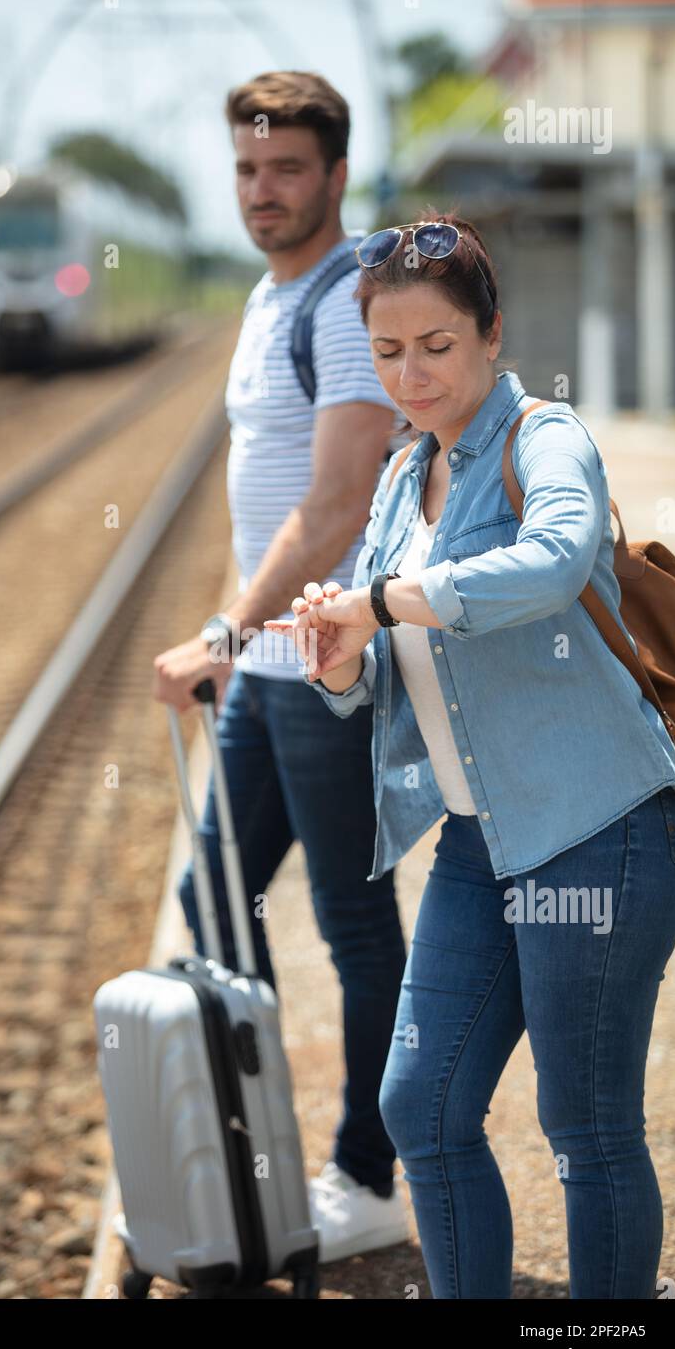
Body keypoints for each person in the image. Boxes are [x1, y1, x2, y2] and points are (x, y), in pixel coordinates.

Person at [265, 210, 675, 1298]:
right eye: (387, 353)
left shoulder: (541, 438)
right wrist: (335, 655)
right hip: (479, 843)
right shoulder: (400, 474)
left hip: (599, 829)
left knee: (583, 1123)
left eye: (436, 347)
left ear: (491, 334)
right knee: (422, 1104)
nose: (410, 375)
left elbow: (551, 560)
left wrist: (382, 595)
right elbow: (376, 668)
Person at [152, 71, 410, 1262]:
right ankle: (223, 1176)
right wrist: (231, 635)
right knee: (215, 915)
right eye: (249, 169)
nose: (264, 191)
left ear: (335, 175)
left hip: (322, 666)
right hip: (259, 670)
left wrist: (218, 628)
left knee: (355, 935)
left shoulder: (349, 294)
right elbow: (264, 507)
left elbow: (334, 502)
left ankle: (371, 1177)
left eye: (287, 168)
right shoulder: (267, 298)